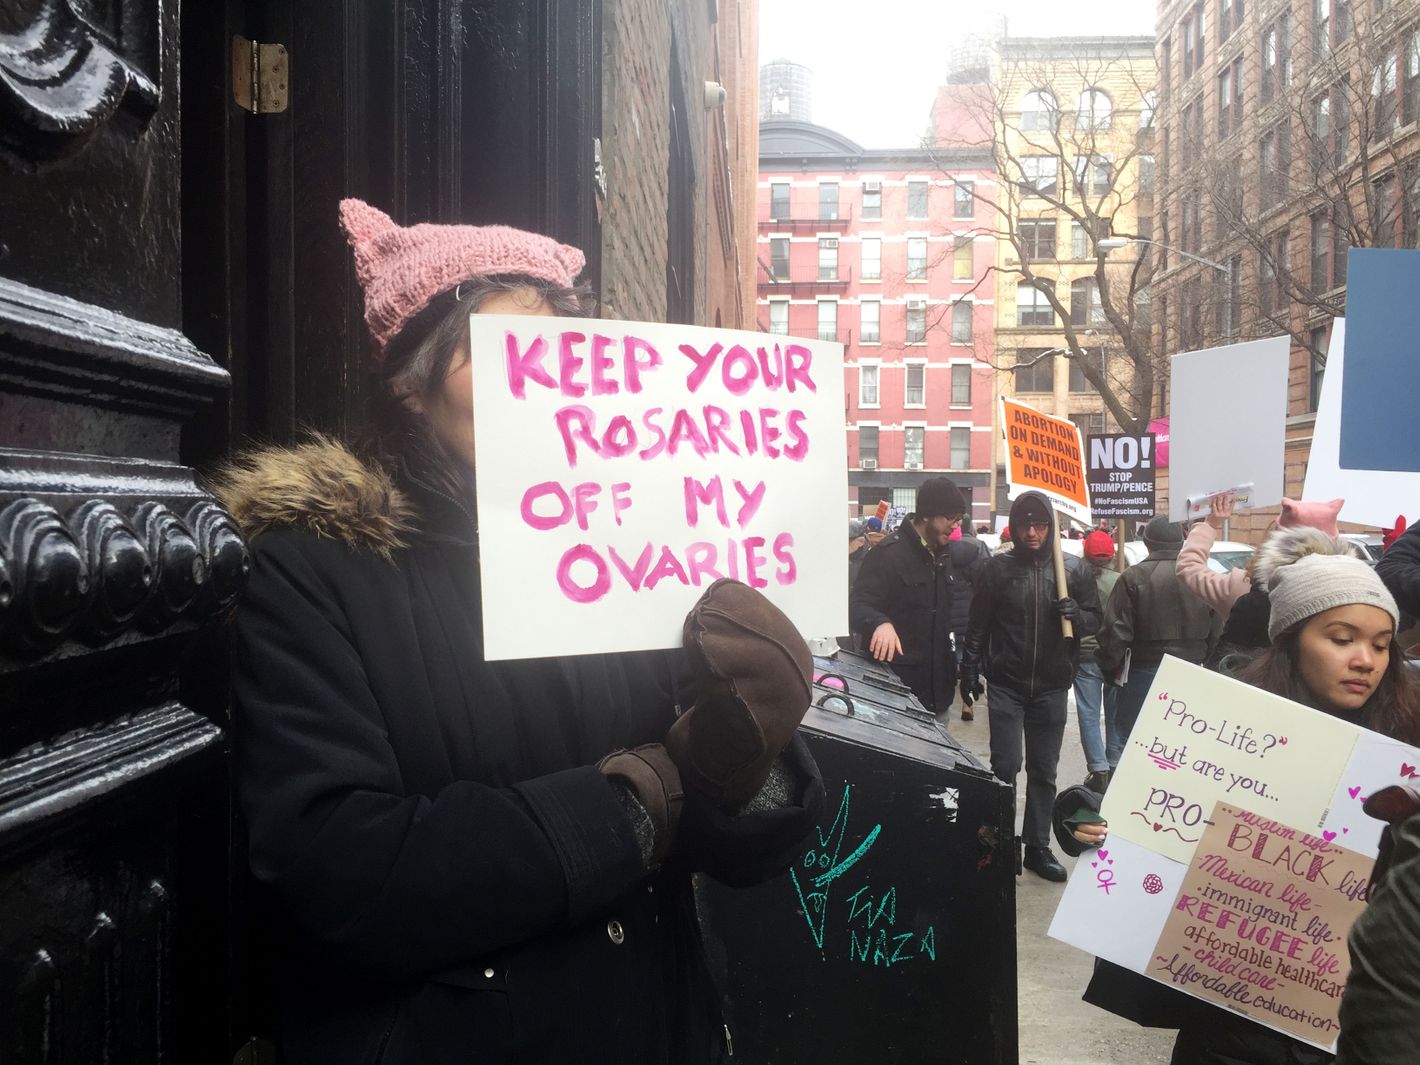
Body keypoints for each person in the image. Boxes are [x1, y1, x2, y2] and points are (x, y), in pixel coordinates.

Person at [216, 200, 826, 1065]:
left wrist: (745, 756)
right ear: (409, 382)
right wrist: (630, 806)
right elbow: (336, 872)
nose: (538, 387)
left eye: (561, 359)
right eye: (502, 355)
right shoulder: (312, 569)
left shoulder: (631, 549)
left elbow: (722, 840)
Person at [1064, 548, 1420, 1065]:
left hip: (1356, 1033)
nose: (1365, 659)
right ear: (1291, 641)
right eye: (1342, 639)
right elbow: (1138, 814)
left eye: (1382, 644)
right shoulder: (1221, 732)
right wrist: (1082, 820)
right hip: (1228, 1032)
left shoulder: (1408, 749)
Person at [958, 490, 1102, 882]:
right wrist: (968, 672)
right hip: (1007, 684)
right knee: (1005, 766)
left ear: (1051, 527)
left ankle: (1037, 846)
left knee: (1044, 770)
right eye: (1025, 525)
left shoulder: (1072, 571)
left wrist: (1079, 616)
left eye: (1040, 525)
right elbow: (978, 627)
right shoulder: (997, 570)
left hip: (1053, 686)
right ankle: (1000, 843)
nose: (1033, 533)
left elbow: (1095, 619)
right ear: (1015, 527)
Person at [1096, 516, 1221, 772]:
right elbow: (1218, 629)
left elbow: (1116, 632)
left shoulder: (1133, 577)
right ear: (1182, 540)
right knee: (1185, 749)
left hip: (1144, 673)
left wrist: (1110, 670)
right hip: (1193, 670)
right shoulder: (1203, 576)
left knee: (1140, 748)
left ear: (1147, 542)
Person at [850, 477, 967, 715]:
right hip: (897, 696)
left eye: (958, 518)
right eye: (950, 518)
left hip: (939, 694)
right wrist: (879, 622)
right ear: (926, 514)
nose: (955, 525)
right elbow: (858, 606)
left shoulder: (945, 556)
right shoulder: (886, 555)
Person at [1073, 531, 1121, 792]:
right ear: (1112, 555)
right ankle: (1114, 763)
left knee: (1088, 714)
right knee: (1115, 714)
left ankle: (1098, 769)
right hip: (1114, 655)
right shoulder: (1121, 581)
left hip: (1085, 655)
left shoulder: (1077, 580)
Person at [946, 522, 991, 722]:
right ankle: (968, 703)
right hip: (969, 613)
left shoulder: (942, 557)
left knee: (953, 655)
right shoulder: (976, 553)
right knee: (968, 659)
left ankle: (953, 680)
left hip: (949, 615)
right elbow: (984, 584)